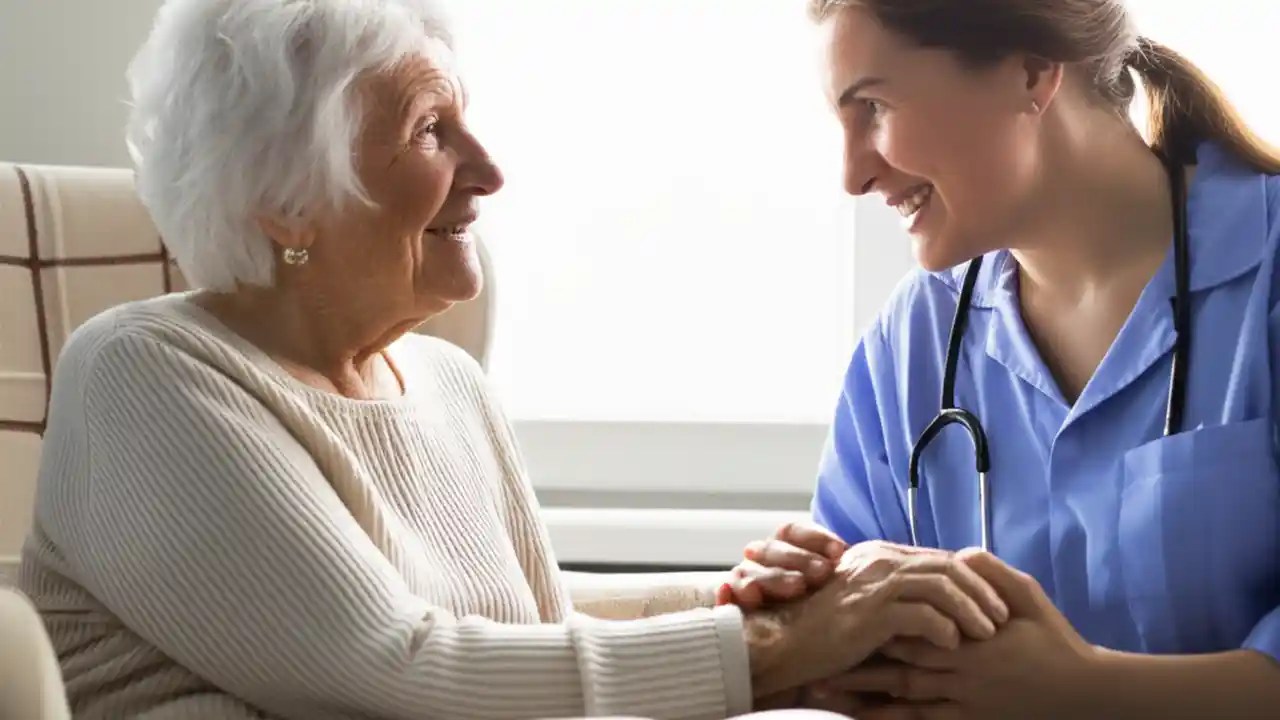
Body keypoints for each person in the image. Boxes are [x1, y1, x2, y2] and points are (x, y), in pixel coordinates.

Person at [17, 1, 1010, 718]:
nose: (488, 171)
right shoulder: (145, 378)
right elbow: (398, 669)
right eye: (430, 131)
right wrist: (777, 647)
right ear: (285, 201)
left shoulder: (444, 383)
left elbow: (531, 635)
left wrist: (760, 602)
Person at [723, 0, 1280, 717]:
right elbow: (858, 668)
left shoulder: (1265, 274)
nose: (853, 175)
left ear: (1031, 73)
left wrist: (1084, 690)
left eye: (875, 108)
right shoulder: (910, 344)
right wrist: (798, 613)